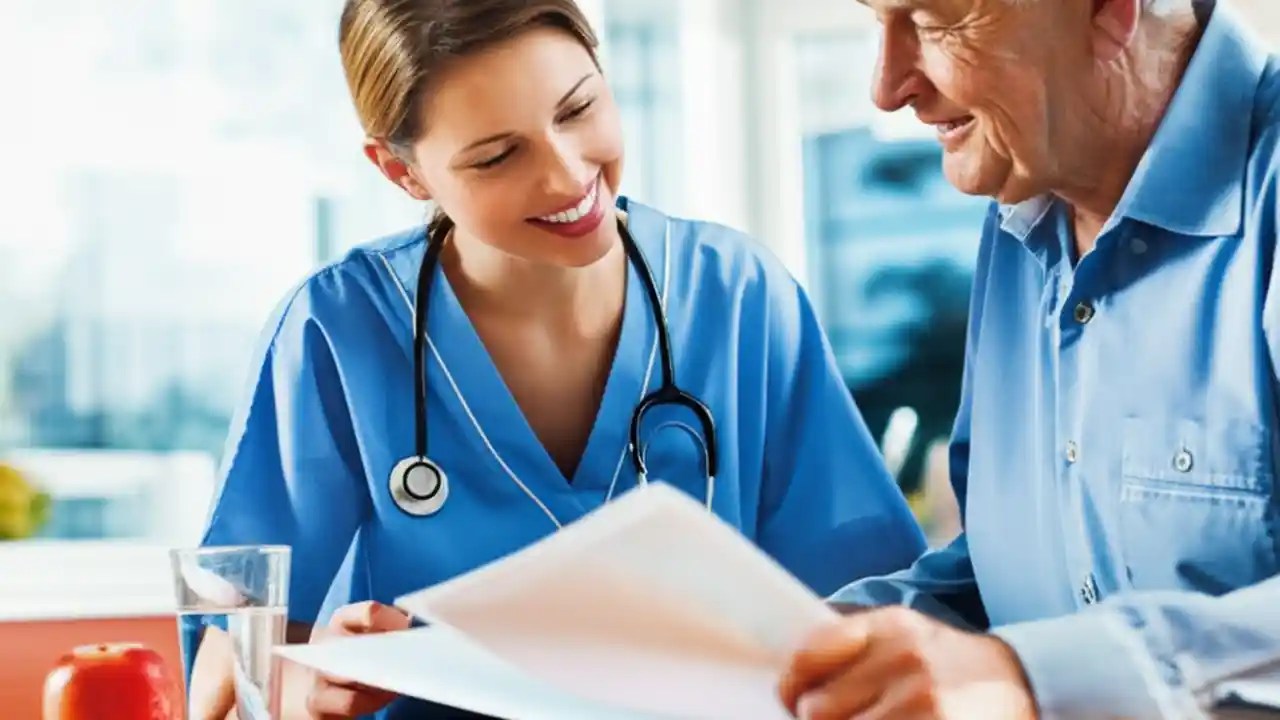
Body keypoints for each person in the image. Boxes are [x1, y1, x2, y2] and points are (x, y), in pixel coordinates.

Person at [191, 0, 928, 718]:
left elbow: (871, 608)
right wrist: (303, 687)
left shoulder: (737, 295)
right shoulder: (337, 330)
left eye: (577, 109)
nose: (570, 175)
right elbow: (231, 657)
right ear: (403, 173)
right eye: (499, 155)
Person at [778, 0, 1280, 718]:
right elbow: (1007, 574)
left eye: (935, 20)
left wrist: (1032, 677)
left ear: (1111, 10)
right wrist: (816, 649)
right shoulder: (1024, 215)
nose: (888, 88)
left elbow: (1022, 664)